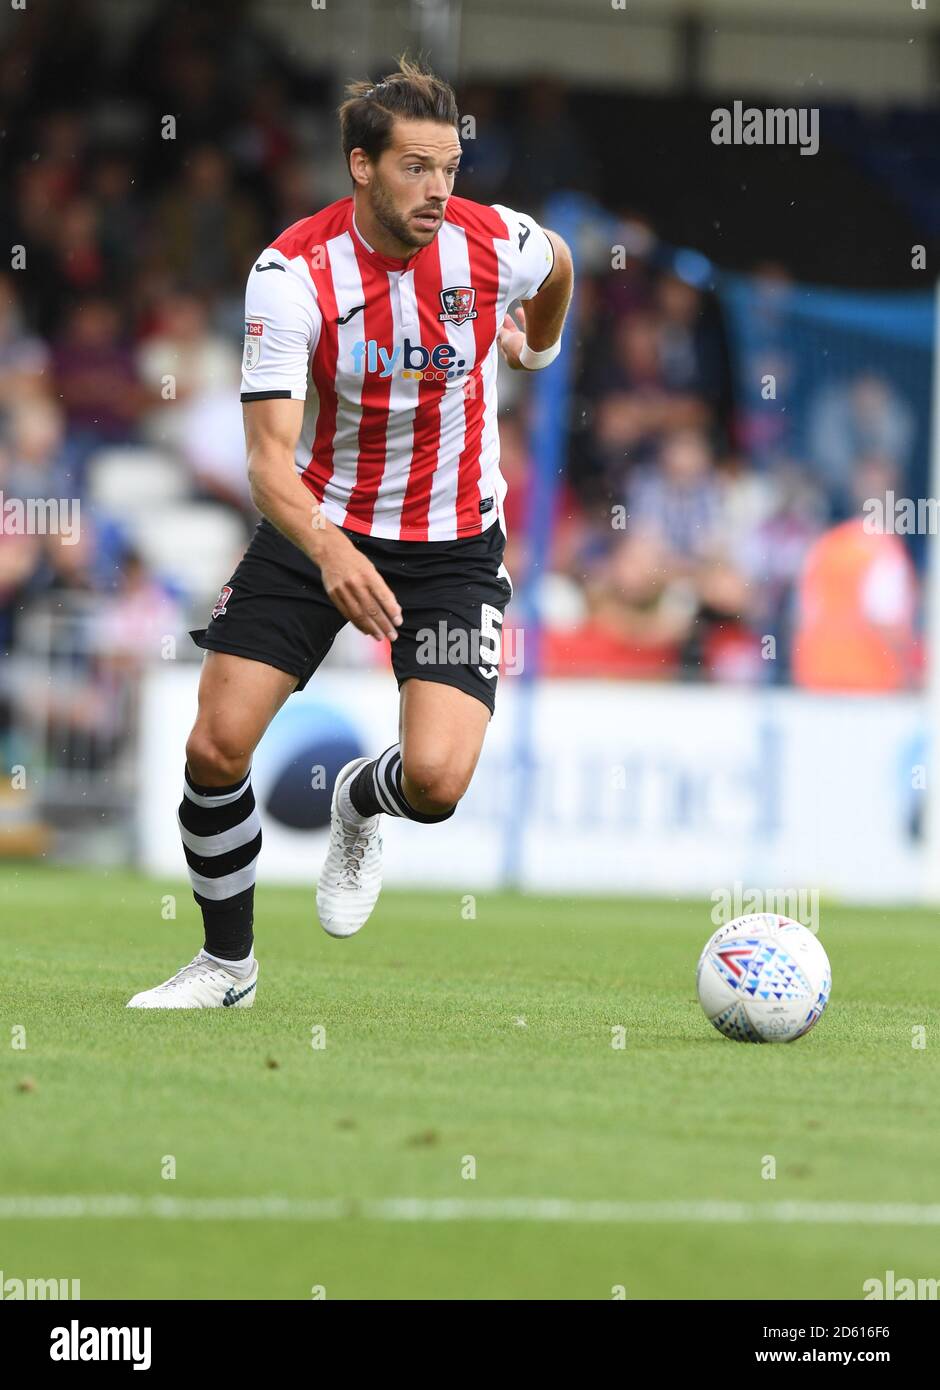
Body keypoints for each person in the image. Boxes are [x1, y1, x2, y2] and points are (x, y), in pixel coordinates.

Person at [127, 58, 574, 1010]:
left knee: (441, 781)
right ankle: (226, 968)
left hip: (456, 545)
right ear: (359, 166)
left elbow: (561, 262)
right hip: (317, 522)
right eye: (415, 168)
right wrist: (331, 550)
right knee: (215, 746)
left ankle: (361, 801)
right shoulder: (293, 275)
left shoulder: (494, 243)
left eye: (449, 167)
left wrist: (537, 344)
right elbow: (265, 462)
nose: (439, 190)